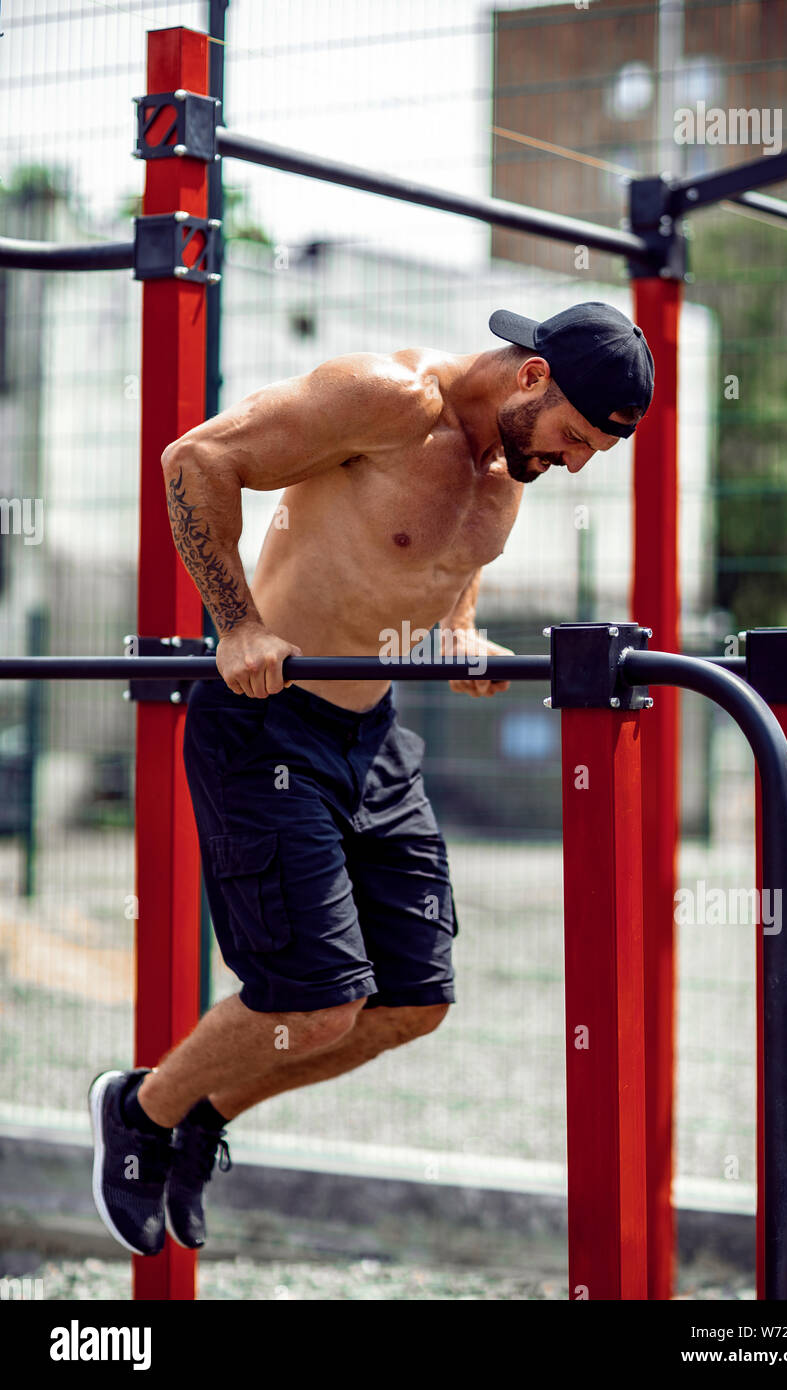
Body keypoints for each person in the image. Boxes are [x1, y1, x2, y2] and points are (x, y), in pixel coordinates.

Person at [89, 301, 654, 1256]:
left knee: (411, 1003)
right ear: (529, 378)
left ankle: (198, 1114)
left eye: (592, 452)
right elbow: (196, 460)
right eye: (573, 439)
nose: (574, 464)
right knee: (312, 1000)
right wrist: (236, 624)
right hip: (267, 728)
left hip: (374, 740)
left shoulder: (507, 464)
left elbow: (451, 555)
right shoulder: (390, 401)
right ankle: (141, 1113)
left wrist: (461, 627)